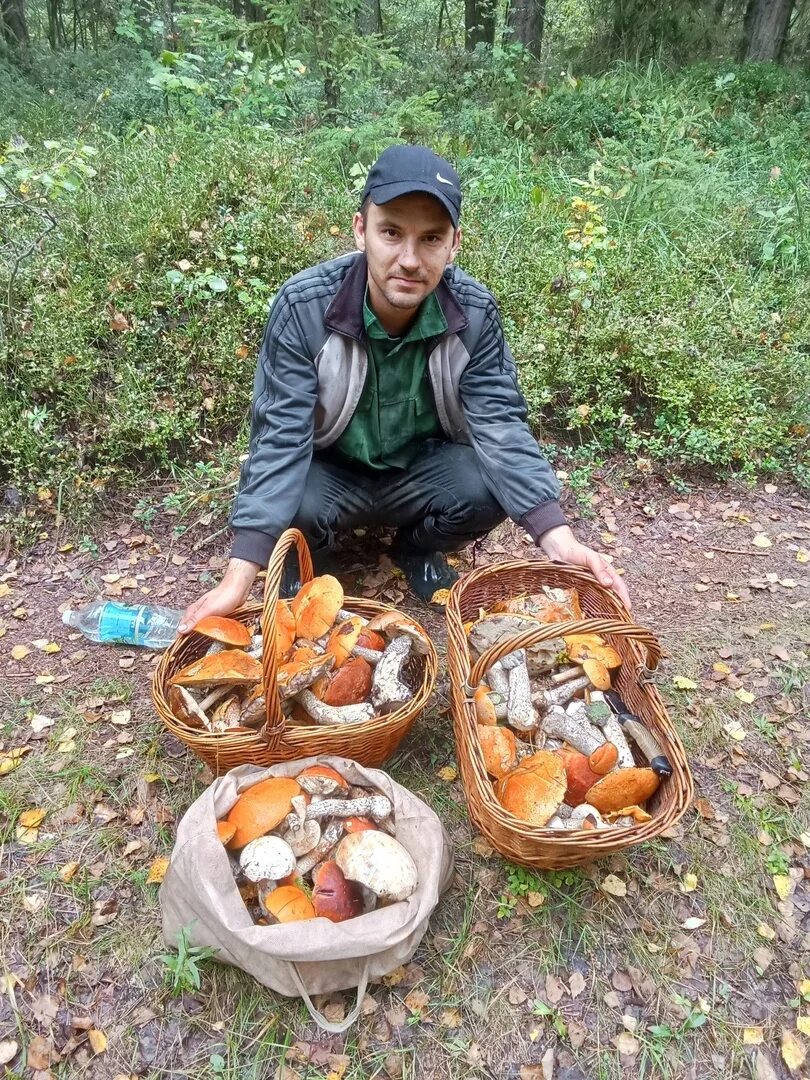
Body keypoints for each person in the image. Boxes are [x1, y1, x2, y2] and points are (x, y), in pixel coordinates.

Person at [180, 145, 629, 632]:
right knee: (296, 503)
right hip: (330, 473)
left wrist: (559, 540)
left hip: (420, 470)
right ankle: (308, 560)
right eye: (391, 232)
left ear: (453, 244)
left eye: (431, 238)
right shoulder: (305, 306)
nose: (410, 260)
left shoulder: (473, 313)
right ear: (361, 231)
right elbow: (279, 436)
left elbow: (500, 425)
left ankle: (418, 549)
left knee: (488, 485)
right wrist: (238, 578)